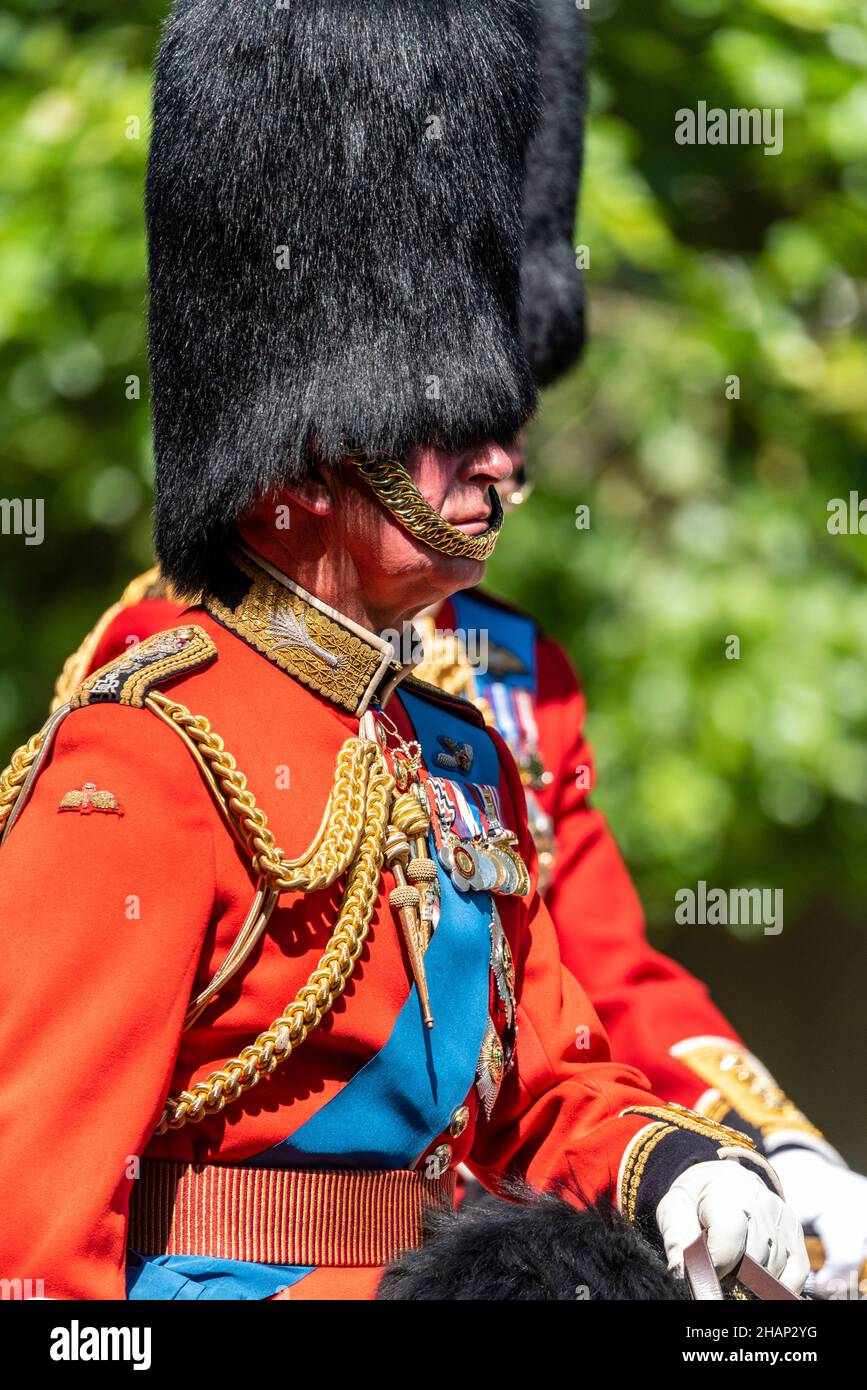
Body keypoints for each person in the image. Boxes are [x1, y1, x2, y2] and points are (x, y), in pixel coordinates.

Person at [2, 0, 809, 1302]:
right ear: (310, 455)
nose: (506, 464)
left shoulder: (464, 756)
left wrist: (677, 1173)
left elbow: (552, 1082)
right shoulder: (140, 761)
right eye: (452, 423)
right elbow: (35, 1240)